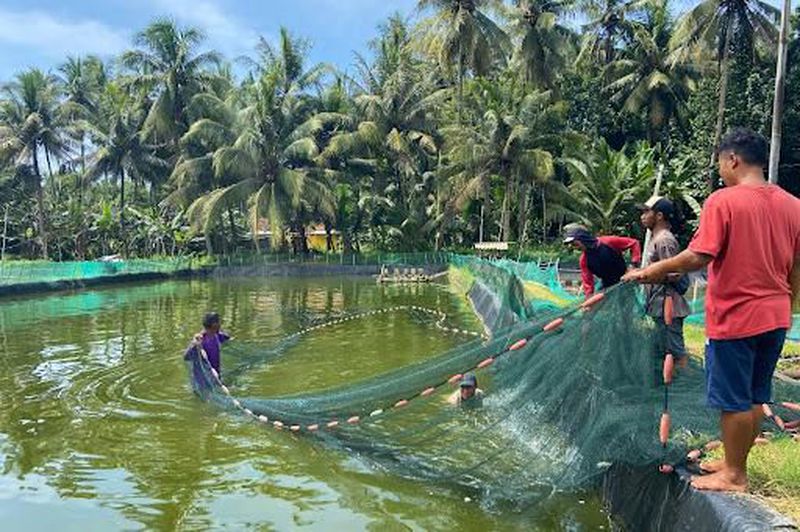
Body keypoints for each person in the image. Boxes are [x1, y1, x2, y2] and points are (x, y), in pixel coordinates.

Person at [624, 129, 800, 492]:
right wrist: (790, 304)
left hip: (737, 315)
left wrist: (647, 272)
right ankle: (736, 463)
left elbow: (697, 256)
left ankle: (734, 475)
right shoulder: (793, 205)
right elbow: (797, 265)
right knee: (755, 396)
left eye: (720, 162)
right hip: (775, 315)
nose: (720, 169)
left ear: (732, 159)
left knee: (733, 399)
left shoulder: (724, 201)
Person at [638, 196, 690, 368]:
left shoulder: (664, 240)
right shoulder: (657, 238)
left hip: (669, 305)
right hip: (658, 305)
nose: (642, 216)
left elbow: (674, 272)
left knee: (675, 351)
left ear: (659, 215)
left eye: (646, 212)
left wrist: (642, 276)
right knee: (664, 348)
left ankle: (681, 384)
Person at [563, 224, 642, 298]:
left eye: (575, 244)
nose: (575, 247)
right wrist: (589, 300)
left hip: (626, 279)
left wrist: (633, 265)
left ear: (583, 238)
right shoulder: (584, 260)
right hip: (607, 287)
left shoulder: (608, 242)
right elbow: (588, 284)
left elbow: (634, 243)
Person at [185, 312, 231, 376]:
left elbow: (227, 339)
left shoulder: (217, 335)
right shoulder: (200, 340)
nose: (220, 325)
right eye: (218, 323)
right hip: (202, 376)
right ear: (214, 325)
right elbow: (186, 357)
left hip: (215, 374)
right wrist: (193, 344)